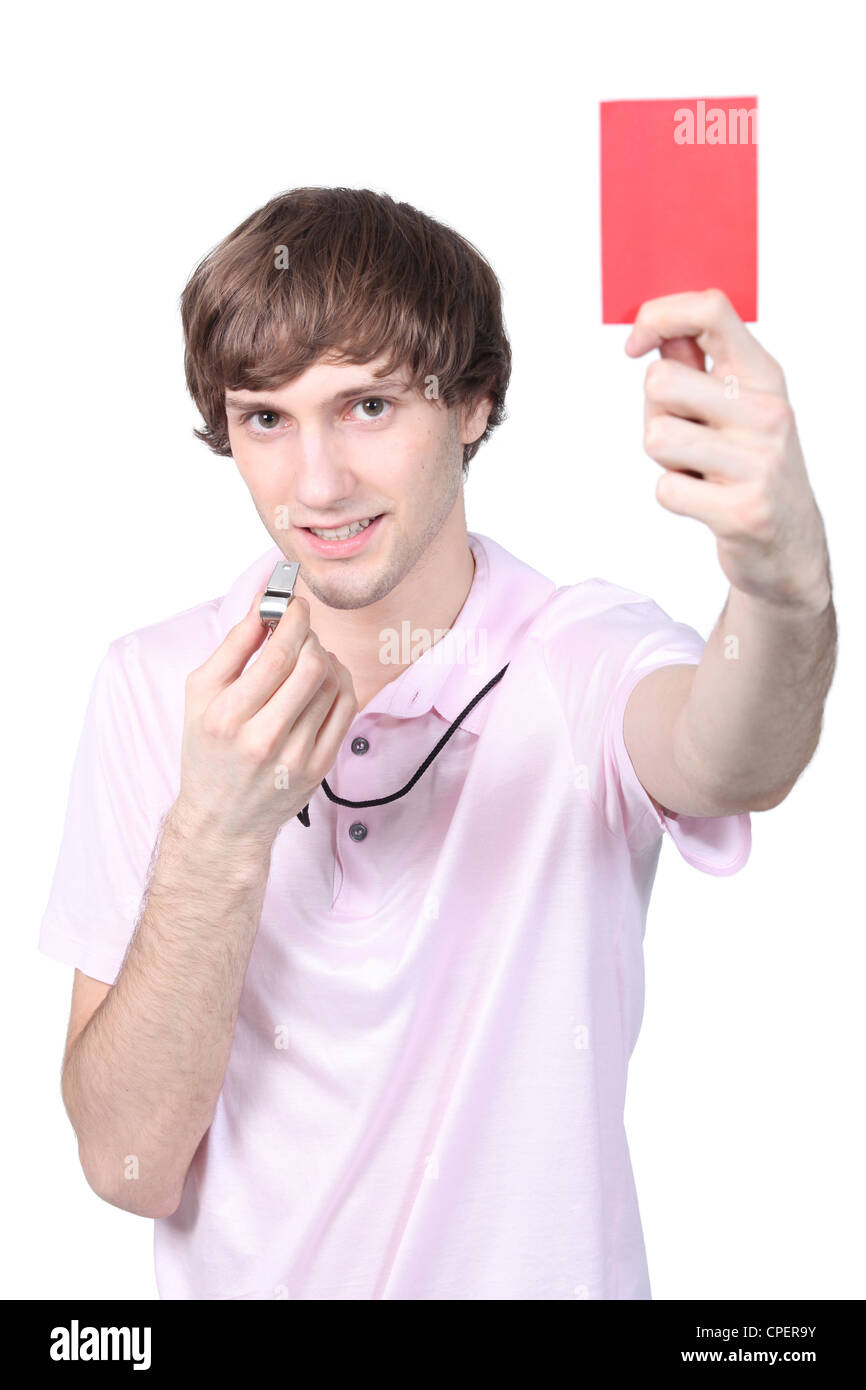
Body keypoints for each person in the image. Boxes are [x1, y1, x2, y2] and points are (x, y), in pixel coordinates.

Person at [39, 186, 836, 1300]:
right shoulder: (156, 683)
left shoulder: (579, 657)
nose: (315, 486)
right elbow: (126, 1164)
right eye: (267, 418)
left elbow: (736, 752)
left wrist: (781, 583)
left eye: (366, 407)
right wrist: (214, 837)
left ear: (472, 402)